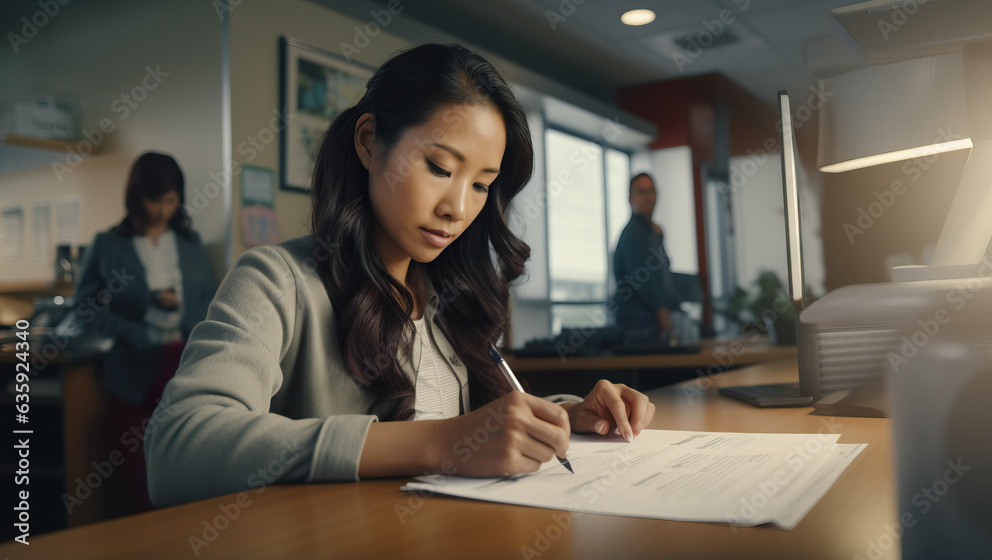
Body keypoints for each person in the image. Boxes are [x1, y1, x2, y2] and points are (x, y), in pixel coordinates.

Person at [144, 43, 656, 507]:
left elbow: (476, 431)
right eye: (439, 167)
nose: (458, 208)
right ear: (369, 142)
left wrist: (567, 419)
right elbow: (178, 449)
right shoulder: (277, 281)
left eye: (481, 185)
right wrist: (441, 443)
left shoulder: (448, 298)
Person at [75, 151, 216, 512]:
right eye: (154, 200)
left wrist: (181, 310)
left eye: (170, 201)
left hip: (185, 366)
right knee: (139, 481)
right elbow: (86, 308)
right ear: (136, 198)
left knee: (189, 471)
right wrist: (137, 330)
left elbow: (212, 301)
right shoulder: (107, 246)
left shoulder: (191, 244)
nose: (161, 210)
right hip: (133, 372)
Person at [612, 172, 684, 338]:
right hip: (637, 324)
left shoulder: (651, 232)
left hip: (649, 320)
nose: (648, 197)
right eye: (641, 192)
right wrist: (663, 315)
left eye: (651, 191)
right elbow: (645, 282)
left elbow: (662, 276)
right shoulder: (634, 233)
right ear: (630, 199)